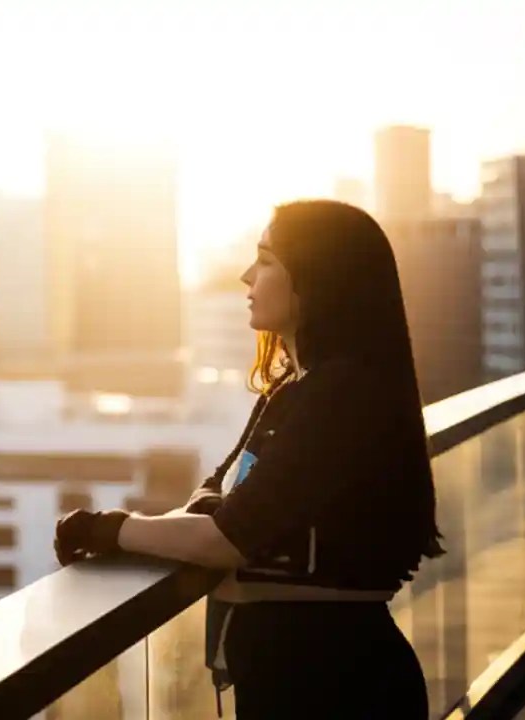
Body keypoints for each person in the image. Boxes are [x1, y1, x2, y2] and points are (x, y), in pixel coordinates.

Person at [54, 200, 444, 719]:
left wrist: (108, 529)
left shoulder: (342, 396)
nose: (246, 277)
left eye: (264, 260)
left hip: (335, 686)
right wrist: (204, 515)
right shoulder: (293, 392)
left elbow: (225, 536)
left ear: (315, 275)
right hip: (297, 677)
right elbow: (214, 495)